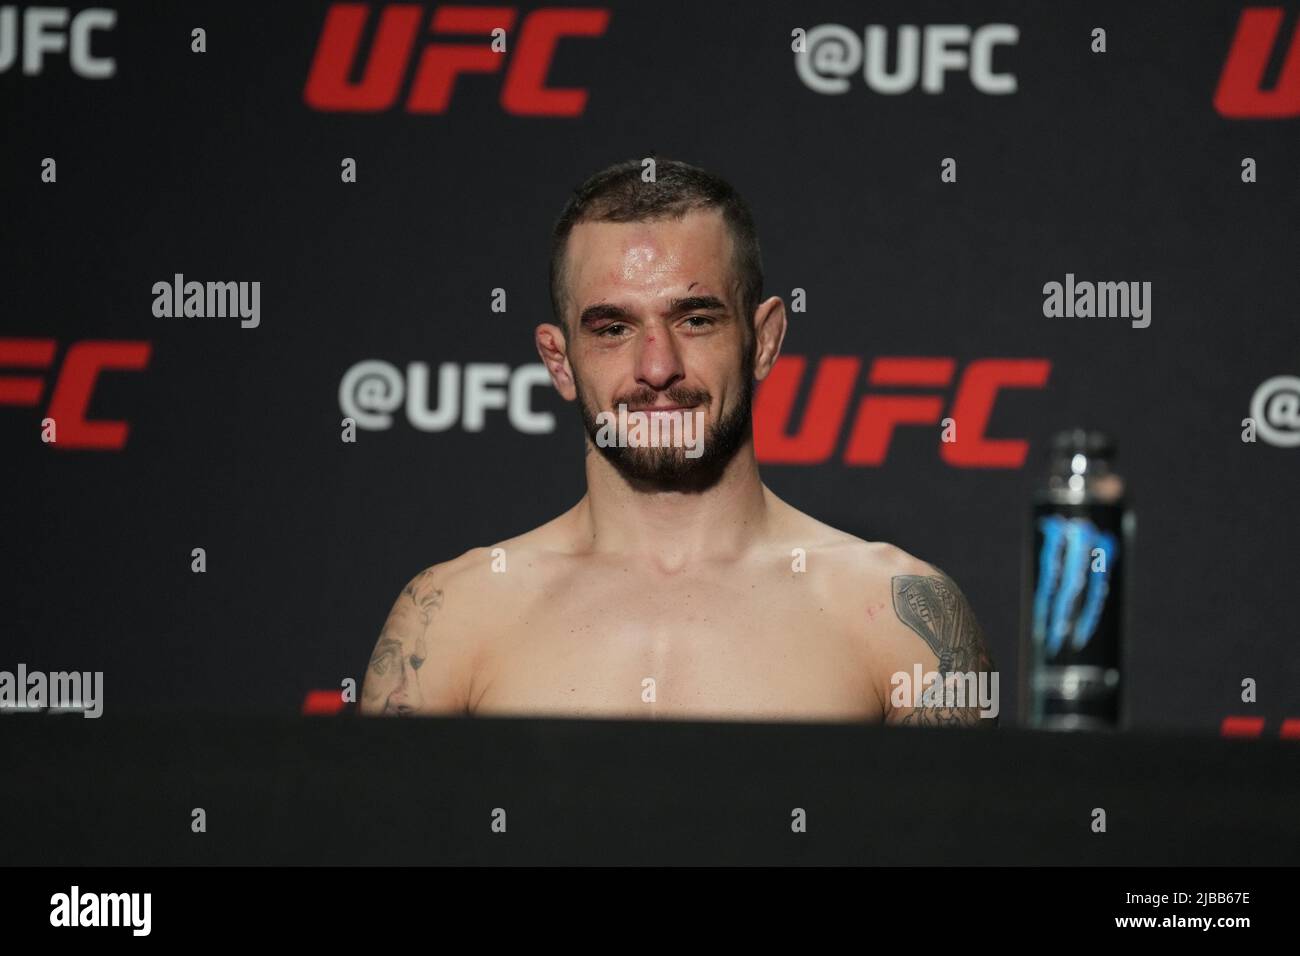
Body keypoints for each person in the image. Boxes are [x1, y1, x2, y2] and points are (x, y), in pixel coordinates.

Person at [360, 158, 997, 726]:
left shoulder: (902, 620)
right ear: (559, 362)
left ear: (764, 340)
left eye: (695, 320)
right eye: (613, 328)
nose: (657, 368)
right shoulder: (449, 621)